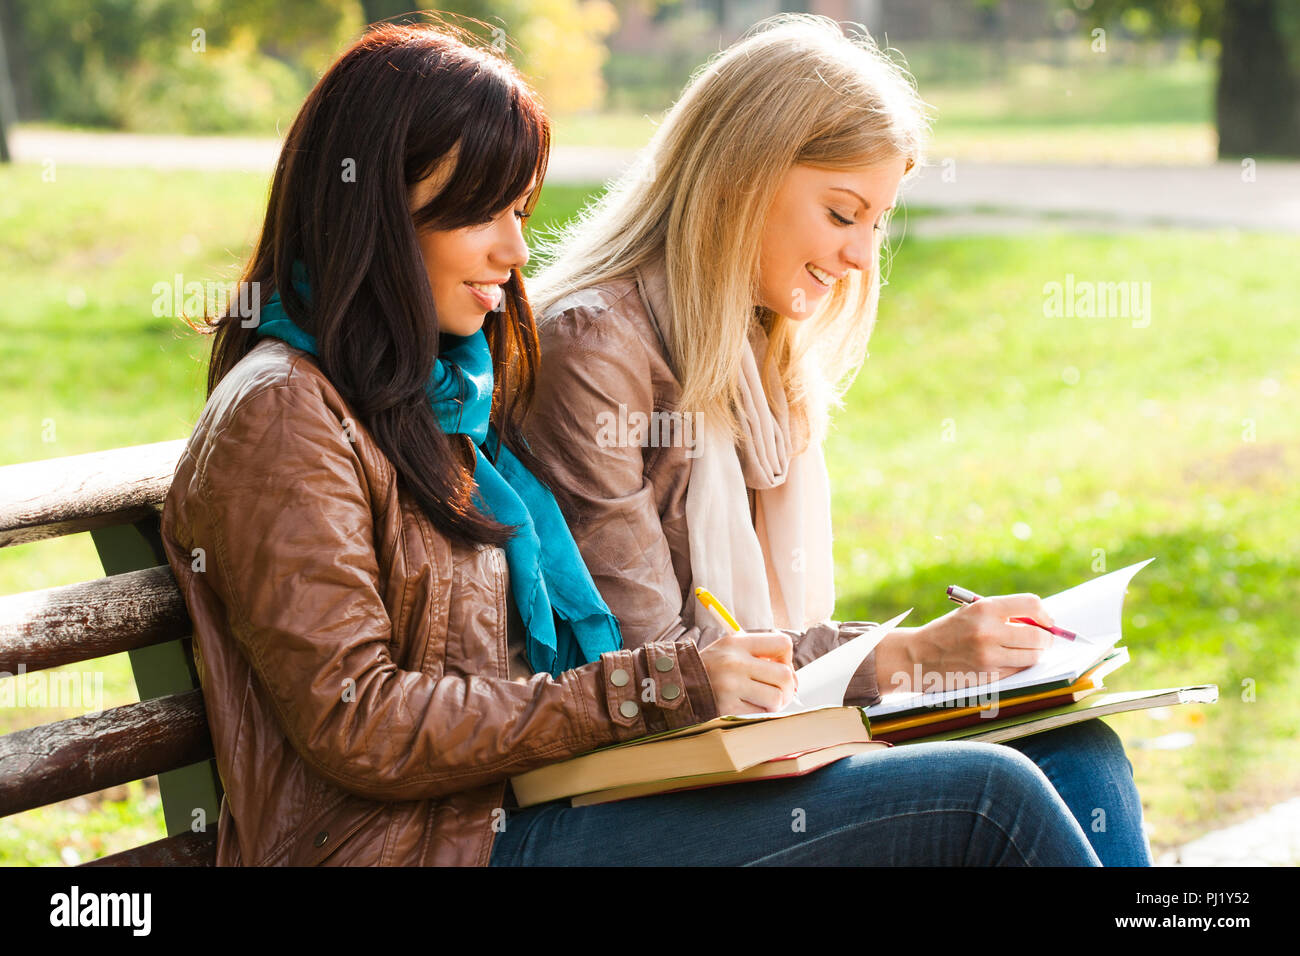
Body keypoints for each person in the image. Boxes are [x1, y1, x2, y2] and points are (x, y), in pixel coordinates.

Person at [161, 19, 1102, 867]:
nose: (515, 253)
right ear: (375, 207)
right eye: (483, 213)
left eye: (521, 214)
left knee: (1070, 747)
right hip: (429, 846)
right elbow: (357, 721)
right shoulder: (284, 412)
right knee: (986, 798)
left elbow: (624, 663)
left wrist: (901, 659)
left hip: (517, 809)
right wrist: (649, 690)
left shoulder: (431, 398)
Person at [521, 14, 1151, 866]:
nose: (860, 255)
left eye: (878, 221)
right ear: (740, 178)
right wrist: (910, 660)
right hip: (631, 783)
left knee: (1076, 747)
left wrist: (951, 665)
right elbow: (656, 662)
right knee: (992, 792)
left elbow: (777, 637)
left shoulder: (757, 351)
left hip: (750, 751)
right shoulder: (594, 345)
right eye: (842, 212)